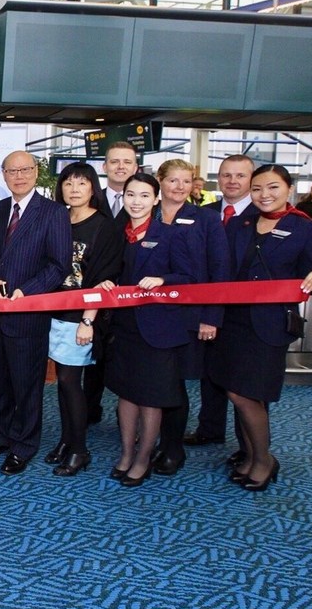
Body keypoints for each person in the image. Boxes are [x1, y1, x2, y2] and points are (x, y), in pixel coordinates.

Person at [213, 165, 312, 491]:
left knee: (249, 393)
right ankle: (250, 454)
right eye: (258, 188)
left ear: (289, 189)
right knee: (236, 390)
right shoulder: (239, 224)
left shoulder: (304, 229)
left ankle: (263, 460)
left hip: (269, 324)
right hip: (234, 321)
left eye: (273, 187)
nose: (265, 194)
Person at [95, 173, 202, 488]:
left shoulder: (170, 235)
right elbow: (110, 271)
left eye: (144, 196)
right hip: (123, 327)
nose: (136, 202)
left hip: (158, 329)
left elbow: (191, 277)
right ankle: (127, 453)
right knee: (126, 394)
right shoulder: (117, 232)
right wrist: (106, 281)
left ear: (156, 199)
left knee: (150, 397)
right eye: (130, 195)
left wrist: (164, 280)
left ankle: (143, 458)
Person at [0, 150, 70, 475]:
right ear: (3, 175)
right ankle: (2, 435)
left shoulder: (54, 213)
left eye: (25, 169)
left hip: (28, 315)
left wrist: (26, 291)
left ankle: (24, 445)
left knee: (26, 385)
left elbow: (59, 266)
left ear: (36, 172)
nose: (19, 176)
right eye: (11, 171)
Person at [150, 158, 231, 476]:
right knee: (154, 380)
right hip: (149, 315)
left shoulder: (207, 219)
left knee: (176, 382)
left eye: (187, 181)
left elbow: (219, 269)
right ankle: (155, 439)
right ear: (160, 181)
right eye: (173, 180)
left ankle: (173, 448)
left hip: (188, 316)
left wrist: (212, 316)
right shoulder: (144, 213)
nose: (180, 187)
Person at [44, 162, 122, 477]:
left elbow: (103, 278)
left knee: (69, 382)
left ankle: (79, 449)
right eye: (69, 183)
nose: (75, 189)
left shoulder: (105, 226)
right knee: (63, 385)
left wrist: (87, 321)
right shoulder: (57, 219)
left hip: (80, 318)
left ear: (93, 188)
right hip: (52, 311)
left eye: (82, 183)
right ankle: (66, 440)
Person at [190, 153, 256, 448]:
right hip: (208, 306)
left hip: (247, 313)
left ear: (251, 180)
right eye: (226, 175)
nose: (232, 181)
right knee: (210, 373)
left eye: (240, 175)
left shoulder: (262, 215)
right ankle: (210, 429)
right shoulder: (205, 213)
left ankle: (248, 449)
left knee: (244, 383)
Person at [85, 139, 141, 422]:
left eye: (127, 162)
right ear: (104, 166)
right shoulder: (88, 200)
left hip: (132, 297)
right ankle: (90, 410)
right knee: (92, 360)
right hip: (94, 295)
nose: (121, 167)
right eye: (115, 162)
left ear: (136, 166)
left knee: (130, 362)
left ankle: (129, 417)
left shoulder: (147, 203)